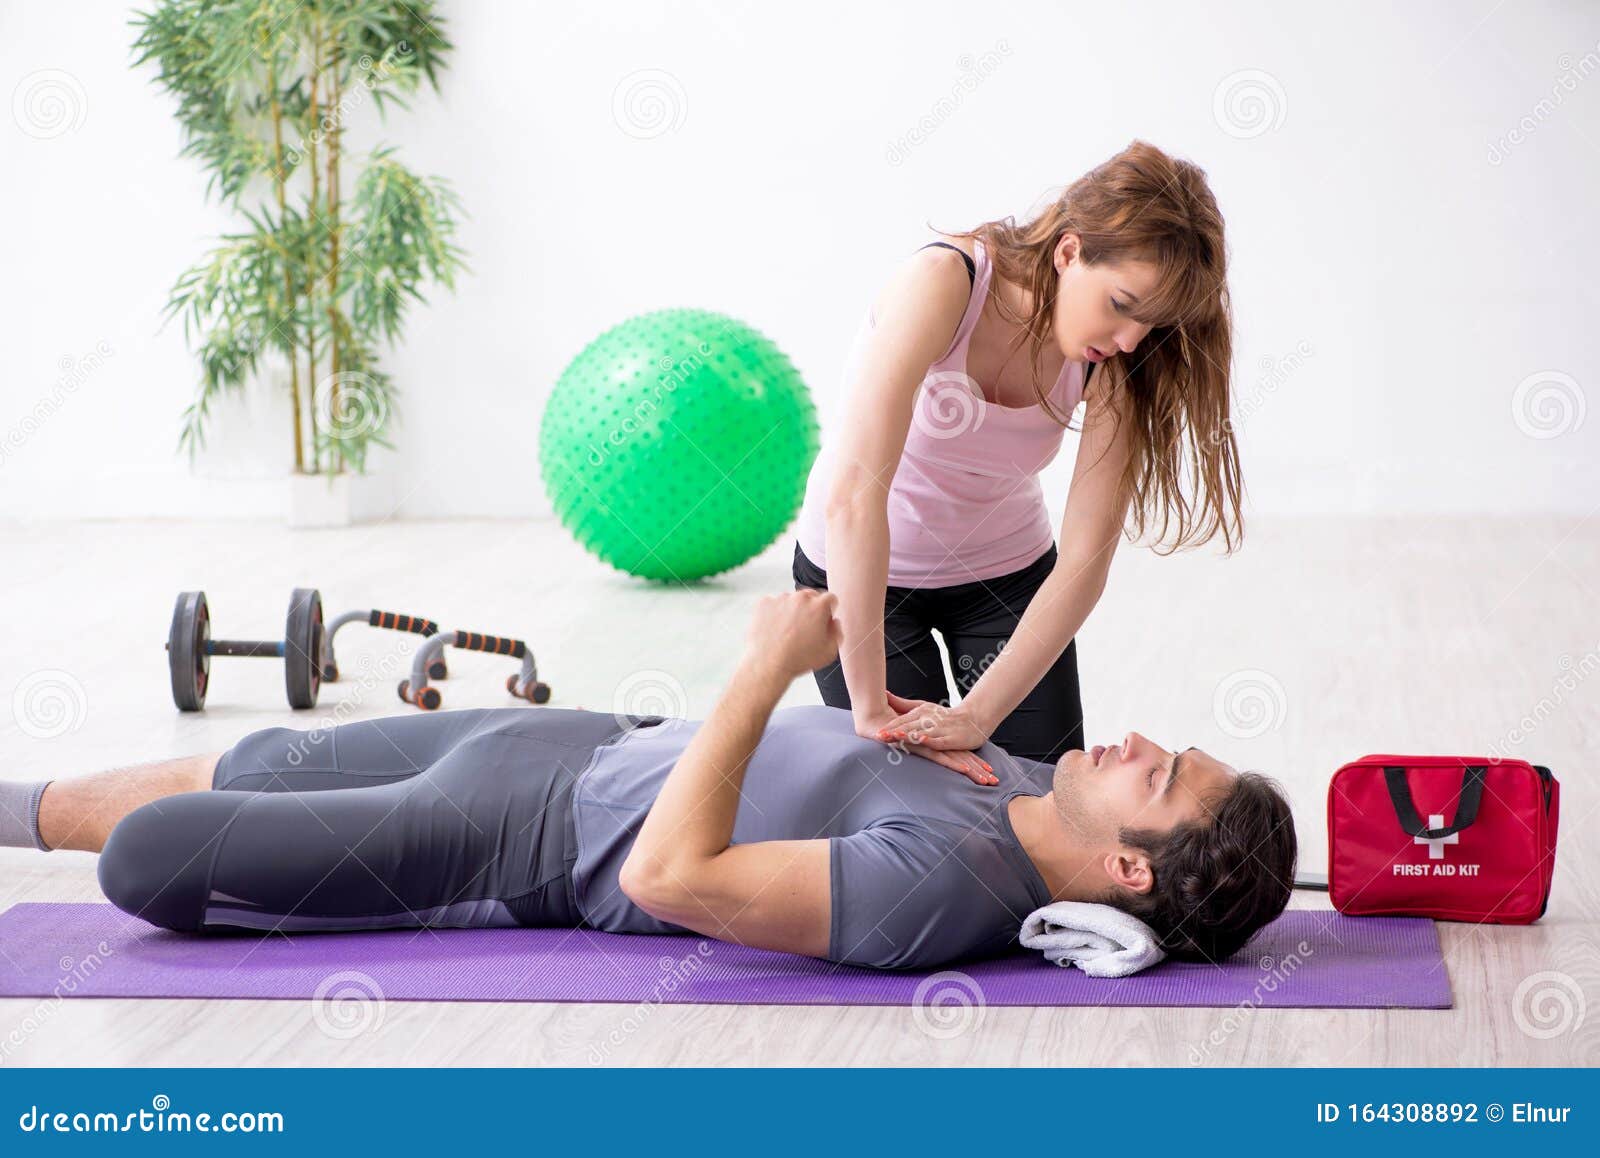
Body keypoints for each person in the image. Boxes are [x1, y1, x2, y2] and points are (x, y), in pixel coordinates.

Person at [2, 591, 1295, 971]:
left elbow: (670, 877)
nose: (1134, 739)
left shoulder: (938, 890)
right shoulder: (1006, 772)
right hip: (573, 738)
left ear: (1131, 866)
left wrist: (762, 670)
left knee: (155, 857)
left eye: (1160, 773)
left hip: (516, 844)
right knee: (259, 756)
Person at [791, 139, 1241, 773]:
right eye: (1121, 306)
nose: (1131, 339)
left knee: (1043, 801)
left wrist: (977, 716)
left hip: (1002, 579)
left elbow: (1085, 559)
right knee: (916, 807)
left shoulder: (1112, 362)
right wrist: (868, 708)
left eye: (1152, 324)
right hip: (866, 578)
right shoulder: (945, 284)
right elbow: (855, 495)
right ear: (1068, 250)